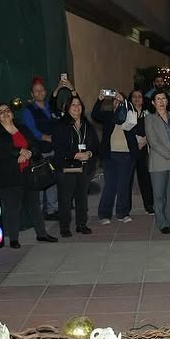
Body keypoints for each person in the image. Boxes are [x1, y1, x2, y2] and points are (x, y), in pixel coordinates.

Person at [0, 102, 57, 248]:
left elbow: (34, 145)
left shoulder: (23, 129)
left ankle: (42, 234)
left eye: (7, 110)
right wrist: (19, 153)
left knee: (34, 206)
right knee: (13, 209)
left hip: (29, 174)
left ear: (12, 113)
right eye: (1, 112)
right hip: (10, 177)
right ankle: (13, 238)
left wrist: (29, 153)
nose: (5, 113)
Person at [52, 95, 98, 237]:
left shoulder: (86, 124)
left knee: (82, 197)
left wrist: (89, 153)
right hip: (66, 167)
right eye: (73, 105)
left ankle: (81, 224)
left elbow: (95, 143)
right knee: (65, 199)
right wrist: (74, 155)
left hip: (84, 167)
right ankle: (64, 227)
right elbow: (58, 146)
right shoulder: (61, 124)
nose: (77, 107)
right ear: (67, 108)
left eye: (79, 104)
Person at [92, 90, 139, 224]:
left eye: (120, 101)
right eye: (115, 101)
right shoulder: (108, 115)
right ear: (112, 104)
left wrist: (124, 101)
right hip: (110, 156)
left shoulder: (130, 115)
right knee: (110, 185)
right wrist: (99, 100)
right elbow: (95, 115)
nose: (117, 103)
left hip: (127, 155)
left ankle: (123, 213)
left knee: (123, 185)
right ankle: (104, 214)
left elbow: (133, 111)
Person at [144, 90, 170, 234]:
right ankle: (162, 223)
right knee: (159, 195)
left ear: (167, 101)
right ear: (153, 103)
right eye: (158, 99)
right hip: (158, 162)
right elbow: (153, 142)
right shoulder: (149, 119)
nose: (161, 101)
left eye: (163, 98)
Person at [19, 77, 59, 219]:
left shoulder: (50, 107)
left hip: (54, 149)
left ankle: (52, 210)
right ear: (32, 94)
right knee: (40, 179)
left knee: (52, 179)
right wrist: (46, 137)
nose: (40, 93)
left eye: (41, 90)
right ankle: (39, 212)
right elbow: (31, 130)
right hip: (39, 151)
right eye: (36, 91)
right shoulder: (28, 110)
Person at [127, 90, 155, 216]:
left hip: (144, 149)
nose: (137, 99)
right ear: (130, 99)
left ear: (143, 100)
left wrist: (145, 139)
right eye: (134, 97)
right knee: (128, 180)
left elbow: (153, 130)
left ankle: (149, 206)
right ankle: (125, 209)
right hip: (130, 150)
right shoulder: (127, 113)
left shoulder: (148, 114)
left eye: (140, 96)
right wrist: (135, 141)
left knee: (145, 179)